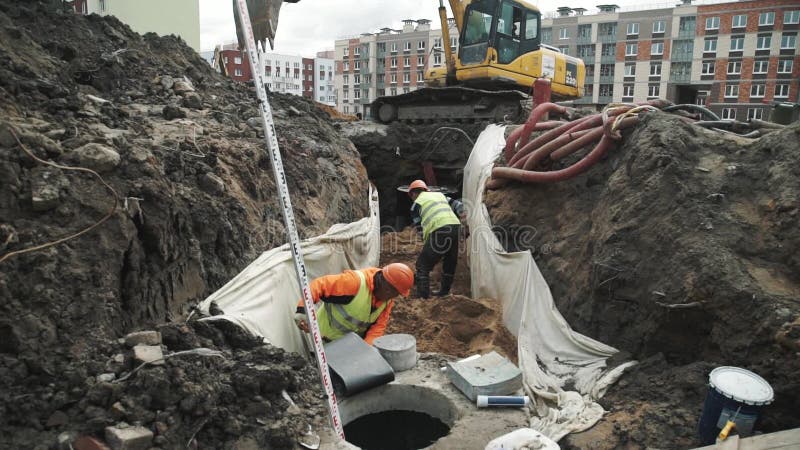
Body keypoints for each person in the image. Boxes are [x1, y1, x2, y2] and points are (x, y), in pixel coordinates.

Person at [294, 263, 414, 345]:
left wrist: (366, 351)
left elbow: (377, 328)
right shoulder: (354, 283)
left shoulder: (386, 300)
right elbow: (319, 285)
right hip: (320, 342)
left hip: (348, 348)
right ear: (388, 289)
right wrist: (303, 310)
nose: (395, 298)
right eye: (396, 293)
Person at [407, 179, 465, 298]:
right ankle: (444, 293)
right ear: (425, 190)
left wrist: (430, 250)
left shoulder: (415, 205)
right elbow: (459, 205)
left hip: (439, 229)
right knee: (450, 261)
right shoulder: (440, 195)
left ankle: (423, 296)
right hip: (455, 227)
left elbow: (421, 231)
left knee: (422, 265)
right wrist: (465, 222)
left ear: (412, 193)